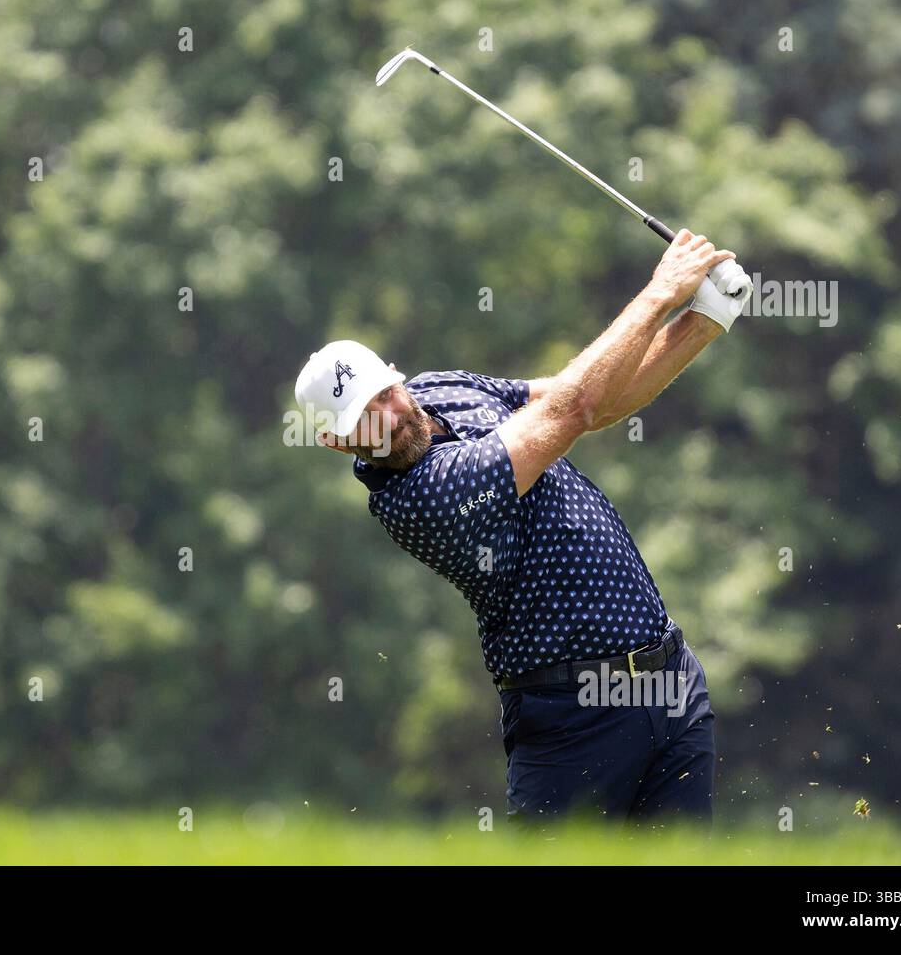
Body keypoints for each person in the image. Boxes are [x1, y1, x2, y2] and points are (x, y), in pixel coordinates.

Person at [292, 230, 747, 828]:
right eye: (362, 418)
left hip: (671, 685)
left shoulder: (439, 389)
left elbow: (595, 400)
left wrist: (705, 321)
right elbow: (573, 410)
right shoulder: (418, 498)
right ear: (333, 441)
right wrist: (661, 293)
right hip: (573, 721)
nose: (389, 419)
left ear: (396, 375)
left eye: (385, 394)